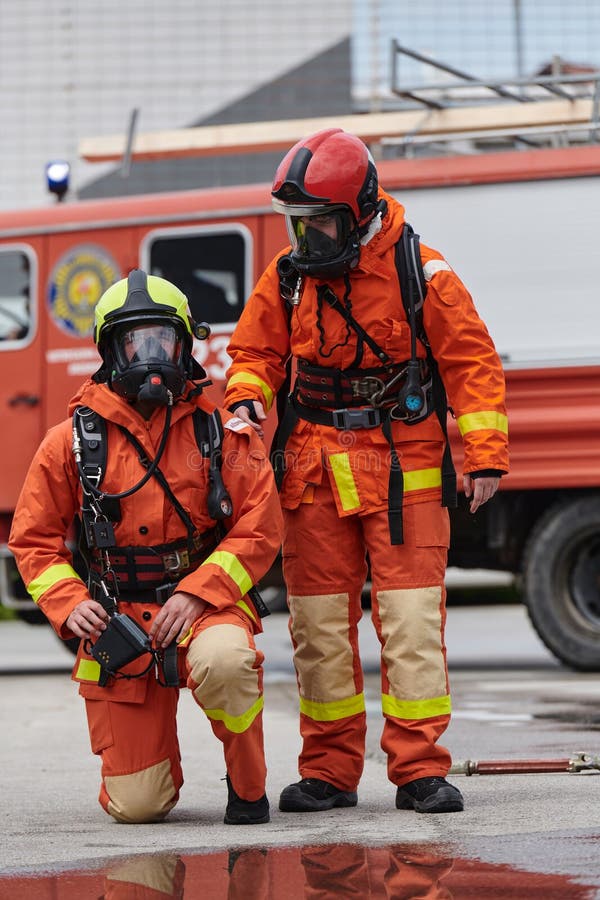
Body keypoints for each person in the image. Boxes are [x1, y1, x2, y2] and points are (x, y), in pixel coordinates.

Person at [224, 128, 509, 815]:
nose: (307, 236)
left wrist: (484, 455)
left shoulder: (423, 272)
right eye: (298, 224)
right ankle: (328, 772)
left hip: (401, 465)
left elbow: (472, 367)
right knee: (318, 629)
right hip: (313, 468)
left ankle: (418, 771)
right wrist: (245, 398)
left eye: (319, 222)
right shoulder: (289, 276)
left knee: (410, 625)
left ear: (359, 211)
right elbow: (254, 351)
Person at [9, 269, 282, 825]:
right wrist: (68, 602)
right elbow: (34, 540)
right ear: (111, 350)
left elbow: (259, 527)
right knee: (138, 808)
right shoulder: (70, 442)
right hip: (120, 621)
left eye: (163, 339)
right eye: (136, 340)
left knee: (226, 661)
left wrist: (200, 594)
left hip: (204, 610)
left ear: (185, 345)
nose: (150, 353)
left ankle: (248, 786)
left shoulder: (221, 432)